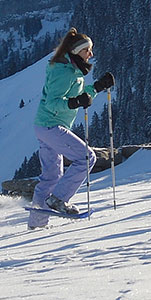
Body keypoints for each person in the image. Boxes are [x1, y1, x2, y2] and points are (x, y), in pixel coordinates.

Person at [29, 29, 114, 226]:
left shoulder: (71, 70)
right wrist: (74, 103)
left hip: (44, 126)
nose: (91, 54)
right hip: (52, 126)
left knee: (51, 176)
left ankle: (37, 223)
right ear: (77, 51)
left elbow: (78, 96)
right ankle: (59, 200)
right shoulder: (64, 72)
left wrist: (98, 87)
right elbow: (53, 103)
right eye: (88, 51)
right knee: (87, 157)